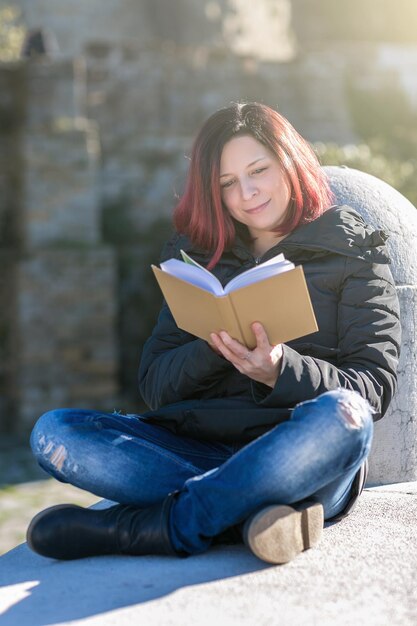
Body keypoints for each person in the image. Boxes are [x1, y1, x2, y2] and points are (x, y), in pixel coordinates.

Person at [27, 102, 401, 564]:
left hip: (299, 457)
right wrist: (215, 348)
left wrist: (280, 370)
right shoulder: (197, 259)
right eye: (228, 183)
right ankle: (254, 514)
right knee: (57, 431)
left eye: (258, 170)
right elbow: (156, 388)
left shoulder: (354, 251)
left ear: (289, 161)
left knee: (346, 416)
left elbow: (373, 388)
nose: (247, 193)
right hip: (197, 451)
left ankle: (148, 528)